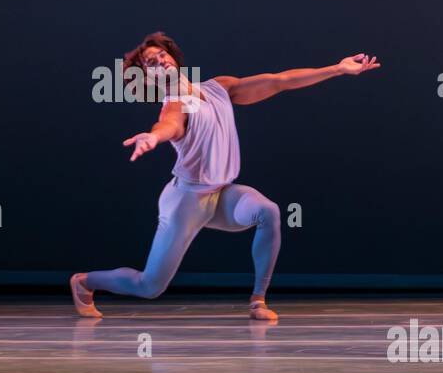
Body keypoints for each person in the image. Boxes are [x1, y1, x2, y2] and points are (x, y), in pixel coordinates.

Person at [71, 31, 380, 321]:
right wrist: (154, 137)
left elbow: (280, 81)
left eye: (161, 54)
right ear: (148, 78)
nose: (160, 61)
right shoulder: (175, 103)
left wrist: (337, 69)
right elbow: (170, 125)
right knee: (150, 286)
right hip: (185, 202)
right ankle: (85, 282)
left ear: (174, 58)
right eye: (150, 62)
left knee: (267, 211)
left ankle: (257, 300)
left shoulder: (218, 88)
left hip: (221, 195)